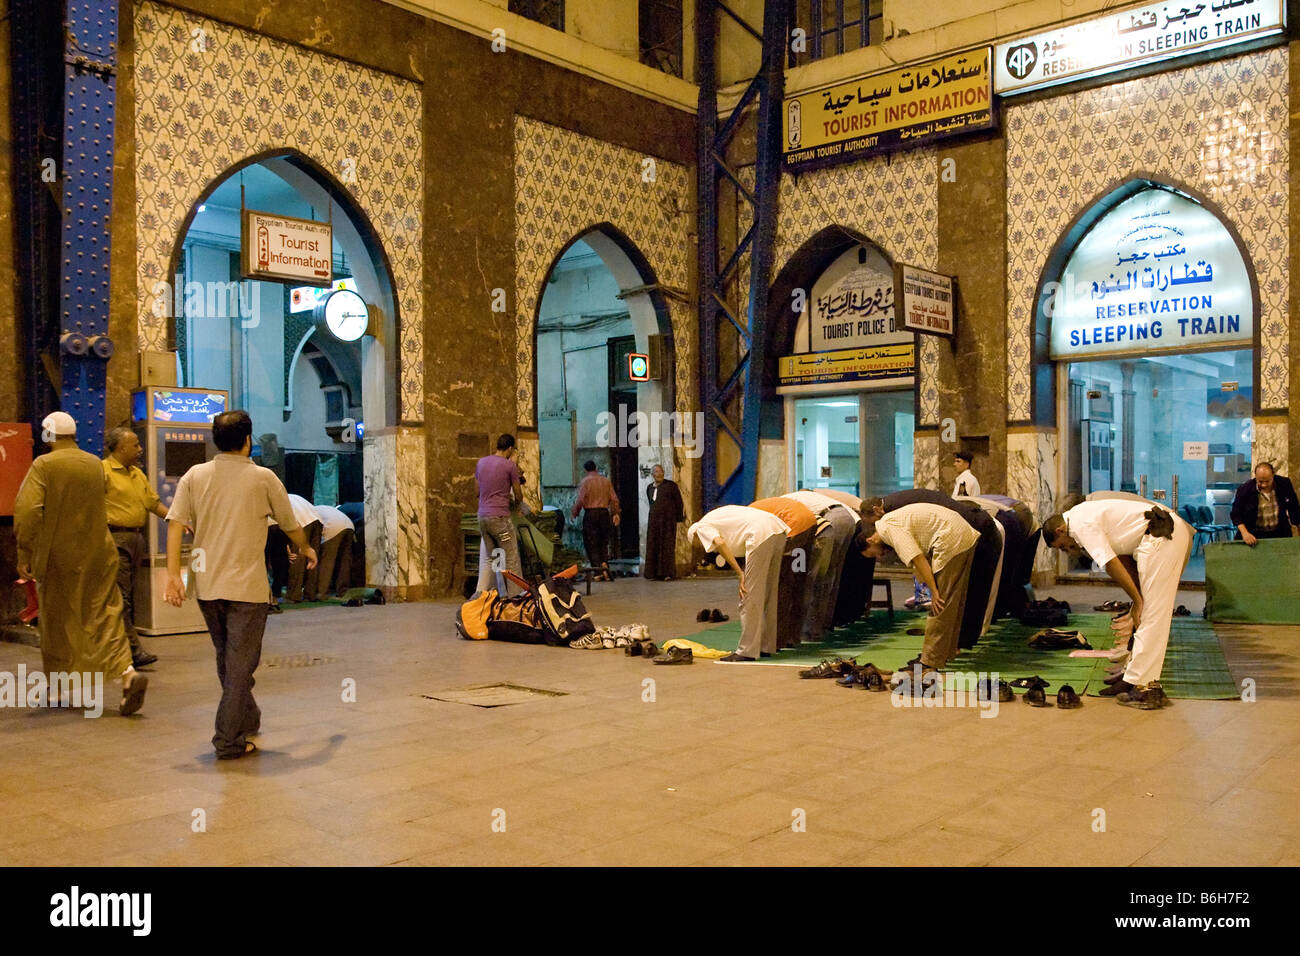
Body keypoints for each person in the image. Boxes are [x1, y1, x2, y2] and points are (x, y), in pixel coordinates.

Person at [165, 410, 317, 759]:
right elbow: (290, 524)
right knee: (239, 665)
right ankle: (228, 741)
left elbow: (175, 524)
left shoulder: (194, 475)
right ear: (248, 440)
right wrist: (305, 547)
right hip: (247, 589)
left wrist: (175, 575)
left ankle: (247, 716)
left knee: (229, 661)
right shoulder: (263, 478)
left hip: (207, 586)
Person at [14, 412, 148, 714]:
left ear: (48, 435)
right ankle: (127, 673)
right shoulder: (94, 464)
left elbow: (27, 510)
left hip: (59, 554)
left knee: (56, 618)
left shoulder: (44, 465)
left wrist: (25, 551)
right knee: (106, 614)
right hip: (100, 551)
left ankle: (59, 687)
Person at [1042, 498, 1193, 709]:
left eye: (1063, 547)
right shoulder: (1080, 516)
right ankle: (1132, 679)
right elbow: (1122, 556)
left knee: (1152, 614)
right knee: (1149, 611)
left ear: (1060, 530)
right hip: (1159, 536)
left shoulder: (1080, 525)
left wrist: (1138, 601)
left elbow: (1111, 564)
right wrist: (1136, 599)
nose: (1068, 550)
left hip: (1162, 535)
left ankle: (1145, 687)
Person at [858, 502, 979, 679]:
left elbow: (918, 559)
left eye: (873, 554)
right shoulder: (890, 522)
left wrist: (934, 591)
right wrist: (924, 593)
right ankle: (946, 653)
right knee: (952, 602)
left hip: (951, 538)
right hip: (961, 534)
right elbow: (917, 565)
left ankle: (928, 662)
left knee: (940, 605)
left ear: (870, 541)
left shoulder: (888, 529)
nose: (879, 557)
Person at [103, 426, 171, 668]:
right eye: (135, 445)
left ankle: (121, 648)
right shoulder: (103, 472)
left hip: (135, 539)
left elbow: (153, 503)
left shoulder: (137, 475)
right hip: (115, 540)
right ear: (121, 448)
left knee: (126, 595)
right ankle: (132, 651)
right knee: (121, 597)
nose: (140, 449)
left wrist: (176, 519)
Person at [688, 505, 789, 662]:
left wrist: (741, 574)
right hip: (777, 529)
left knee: (748, 594)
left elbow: (720, 543)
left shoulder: (701, 527)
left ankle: (747, 651)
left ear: (695, 536)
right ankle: (765, 646)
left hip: (760, 533)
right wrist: (743, 572)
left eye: (699, 545)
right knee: (769, 592)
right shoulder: (716, 519)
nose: (705, 549)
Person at [783, 489, 858, 637]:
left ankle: (808, 630)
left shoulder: (778, 508)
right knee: (832, 576)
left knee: (815, 578)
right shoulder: (794, 498)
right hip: (848, 519)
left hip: (832, 521)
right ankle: (824, 624)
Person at [748, 496, 821, 648]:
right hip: (809, 524)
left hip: (794, 529)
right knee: (798, 580)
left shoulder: (748, 516)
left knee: (782, 586)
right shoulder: (755, 508)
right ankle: (793, 636)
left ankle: (777, 639)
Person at [474, 434, 524, 596]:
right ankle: (515, 598)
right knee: (511, 558)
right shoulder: (509, 466)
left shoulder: (481, 463)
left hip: (482, 517)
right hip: (500, 517)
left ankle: (491, 595)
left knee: (492, 558)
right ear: (510, 448)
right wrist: (517, 506)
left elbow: (476, 491)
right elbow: (518, 494)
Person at [1230, 461, 1300, 545]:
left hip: (1279, 532)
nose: (1264, 485)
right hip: (1254, 533)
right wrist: (1245, 533)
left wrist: (1297, 524)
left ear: (1273, 475)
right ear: (1255, 477)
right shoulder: (1245, 489)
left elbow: (1293, 506)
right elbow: (1236, 514)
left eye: (1267, 481)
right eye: (1260, 481)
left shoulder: (1284, 483)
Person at [572, 460, 621, 580]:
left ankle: (597, 572)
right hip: (604, 513)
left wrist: (575, 512)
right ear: (596, 468)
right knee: (603, 542)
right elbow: (614, 499)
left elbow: (581, 500)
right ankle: (604, 564)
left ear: (585, 470)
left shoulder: (585, 481)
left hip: (591, 514)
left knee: (591, 543)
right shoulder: (606, 481)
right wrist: (615, 513)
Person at [643, 464, 685, 580]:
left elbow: (678, 502)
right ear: (652, 474)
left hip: (667, 522)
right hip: (654, 522)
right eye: (656, 472)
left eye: (661, 471)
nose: (659, 474)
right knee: (654, 545)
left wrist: (678, 518)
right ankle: (654, 573)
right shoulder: (649, 488)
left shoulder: (671, 486)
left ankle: (667, 573)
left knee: (667, 546)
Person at [283, 493, 323, 603]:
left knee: (296, 557)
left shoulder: (275, 498)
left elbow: (278, 524)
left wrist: (287, 548)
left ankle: (293, 596)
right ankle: (310, 594)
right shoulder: (291, 496)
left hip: (299, 522)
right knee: (312, 558)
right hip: (317, 519)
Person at [312, 503, 355, 599]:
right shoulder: (325, 508)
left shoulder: (310, 511)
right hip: (349, 526)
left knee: (327, 560)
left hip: (332, 527)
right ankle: (343, 591)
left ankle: (321, 592)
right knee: (345, 561)